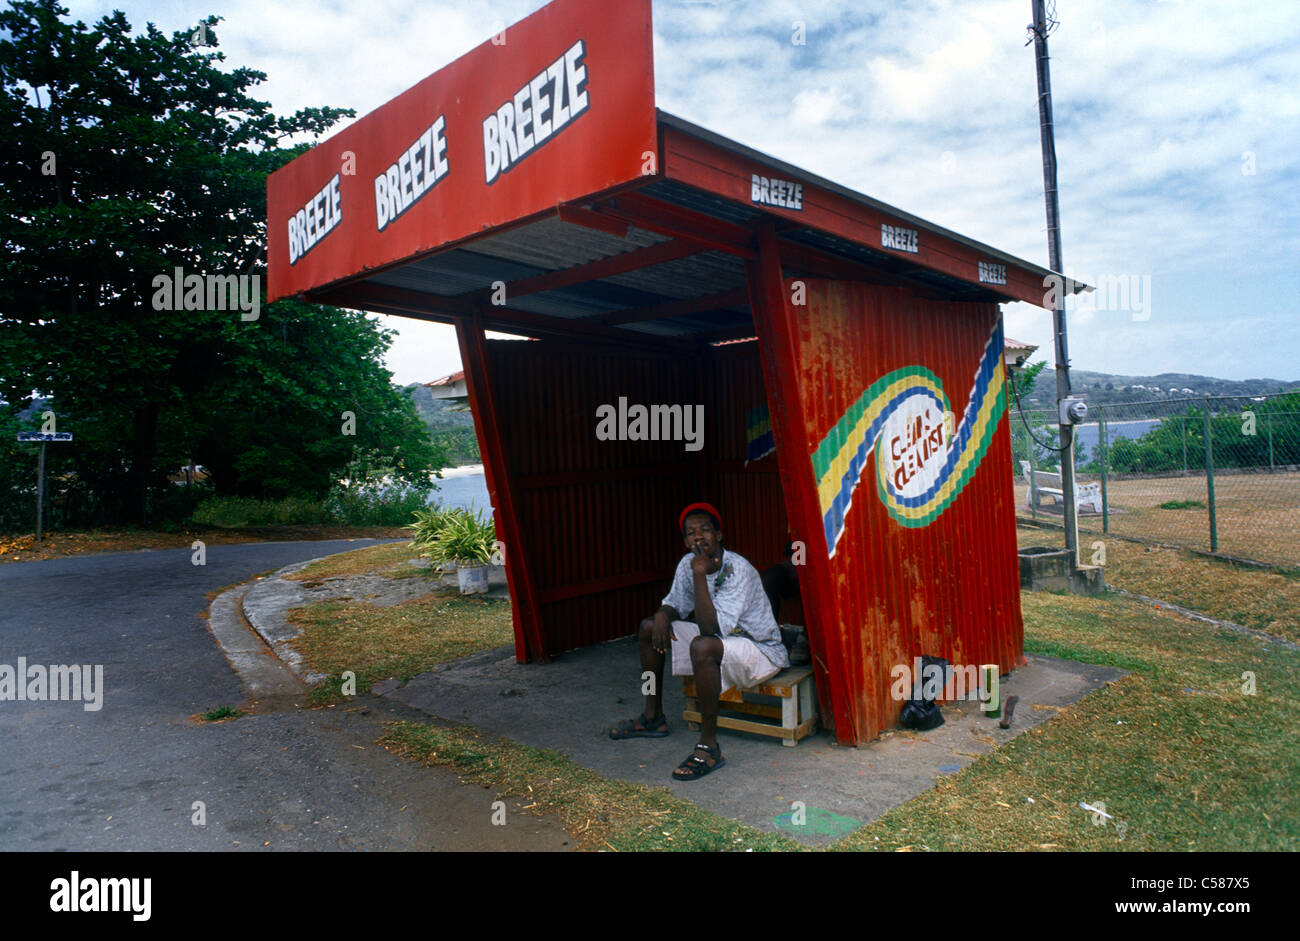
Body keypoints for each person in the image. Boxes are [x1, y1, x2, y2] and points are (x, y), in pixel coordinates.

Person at [608, 502, 790, 780]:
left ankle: (709, 746)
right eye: (691, 533)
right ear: (685, 540)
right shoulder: (687, 563)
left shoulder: (736, 569)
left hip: (760, 649)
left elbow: (710, 629)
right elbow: (675, 605)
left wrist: (699, 574)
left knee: (702, 646)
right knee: (647, 628)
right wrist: (662, 615)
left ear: (719, 535)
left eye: (705, 530)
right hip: (726, 642)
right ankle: (652, 716)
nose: (699, 537)